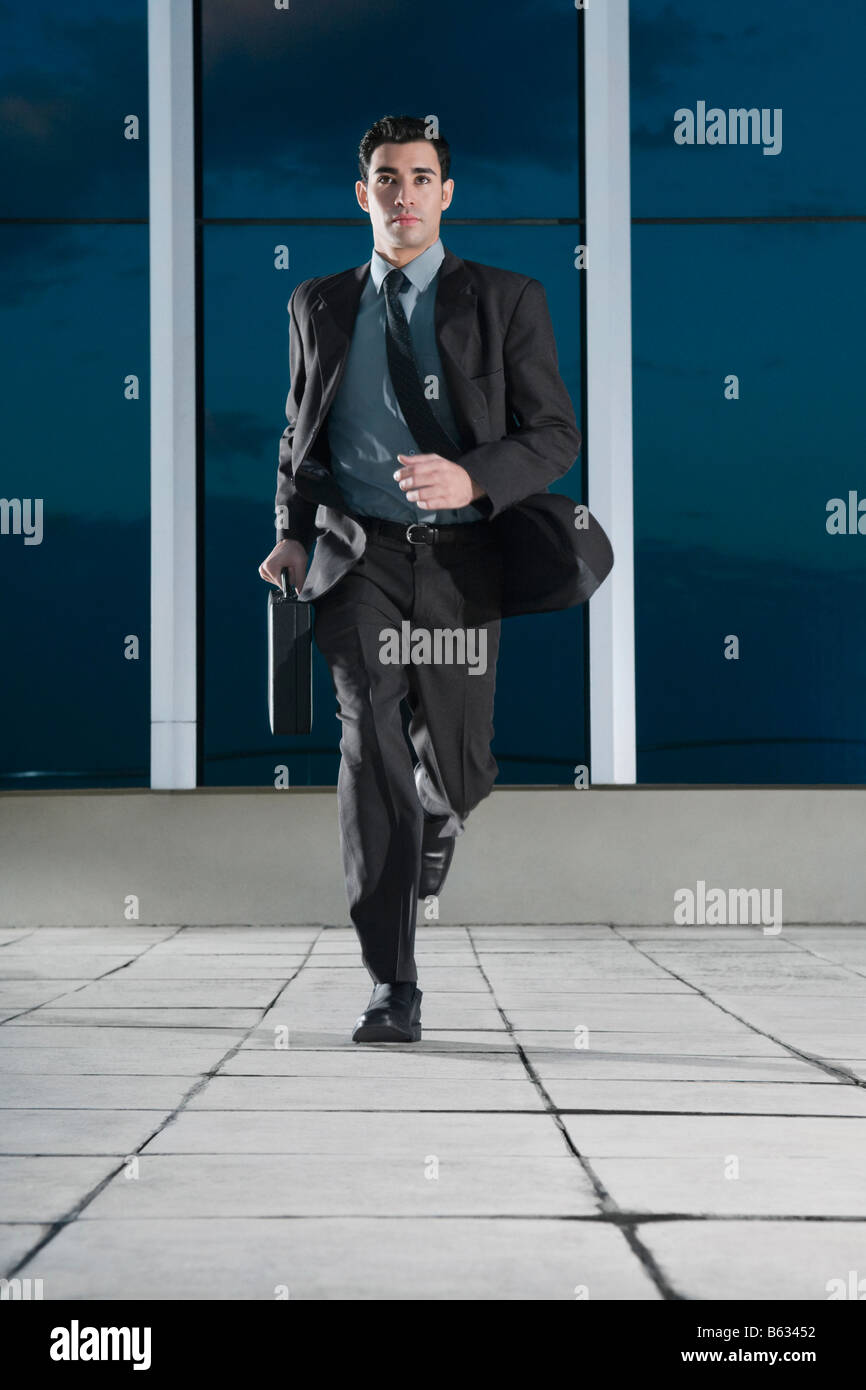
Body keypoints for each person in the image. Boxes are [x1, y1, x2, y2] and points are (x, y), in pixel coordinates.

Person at [258, 115, 583, 1044]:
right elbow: (297, 438)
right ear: (363, 195)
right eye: (386, 178)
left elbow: (556, 434)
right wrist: (289, 535)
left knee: (460, 765)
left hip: (461, 565)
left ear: (446, 194)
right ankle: (391, 983)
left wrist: (473, 477)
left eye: (421, 176)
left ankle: (442, 811)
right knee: (370, 749)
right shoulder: (316, 304)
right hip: (356, 560)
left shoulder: (506, 299)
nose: (404, 192)